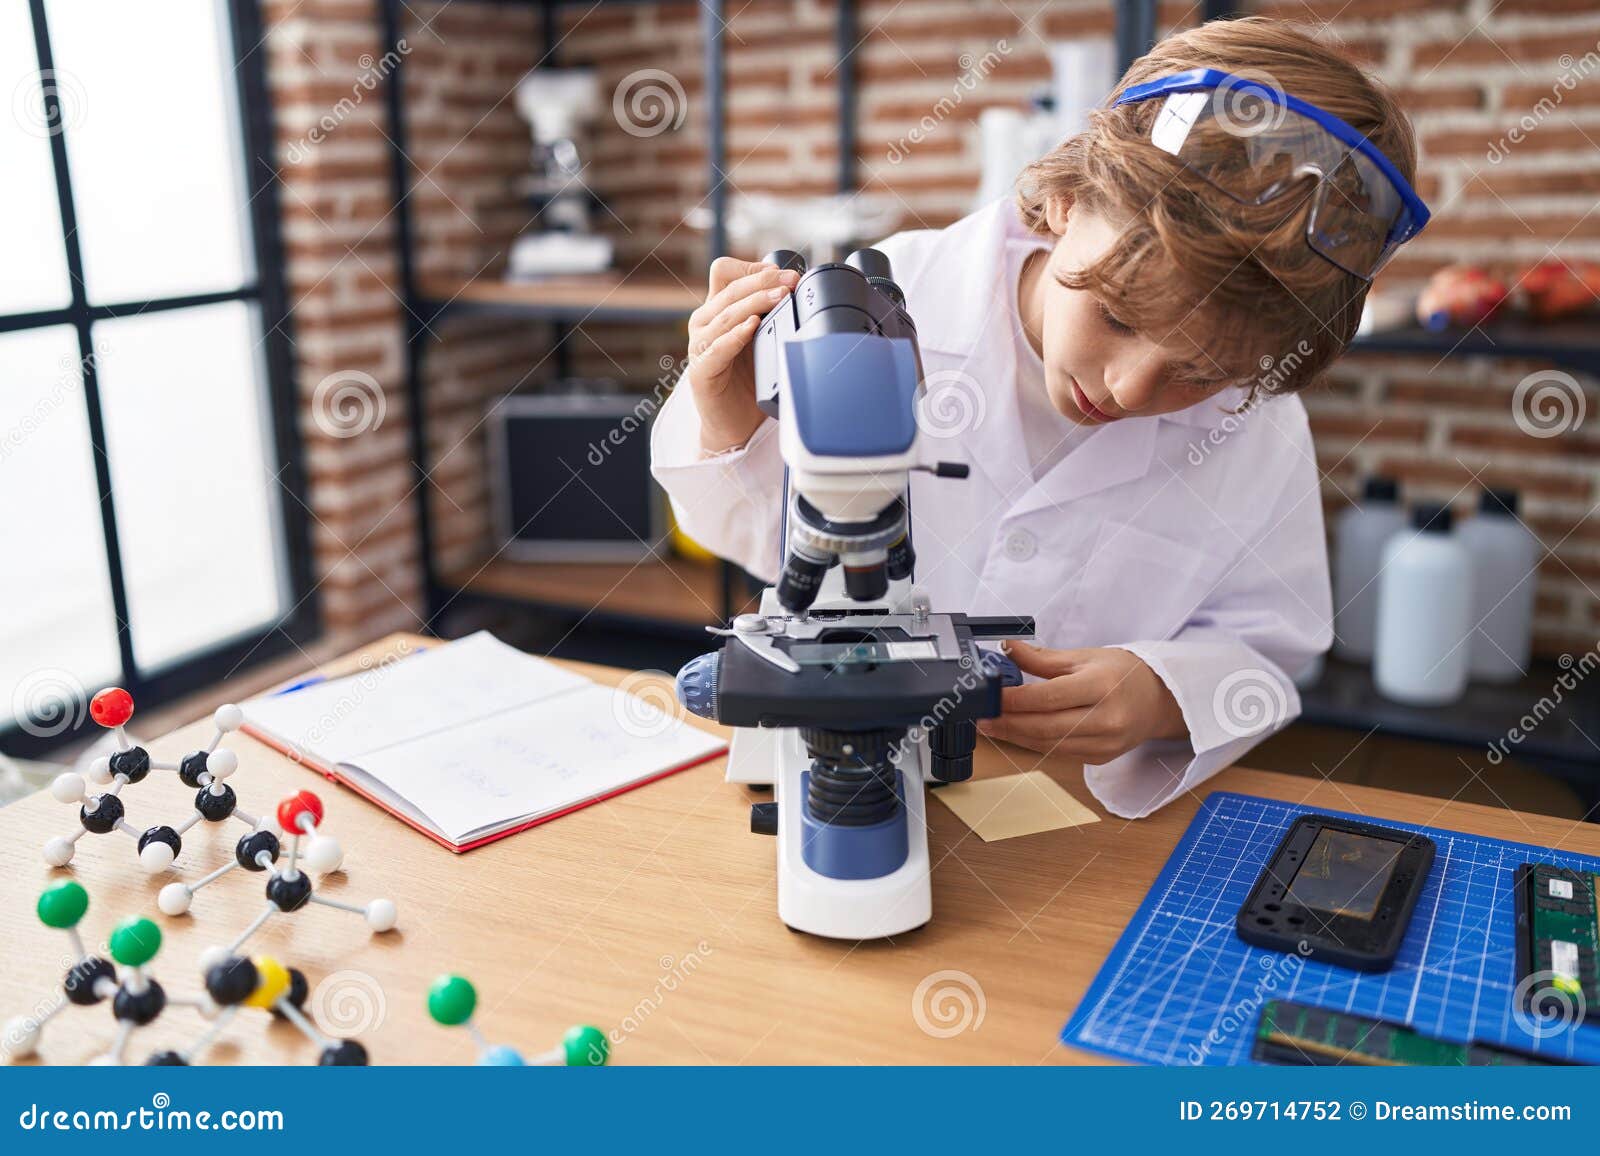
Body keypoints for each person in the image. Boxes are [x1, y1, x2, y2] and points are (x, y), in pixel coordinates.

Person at [649, 17, 1428, 817]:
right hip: (851, 738)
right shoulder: (881, 306)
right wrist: (727, 419)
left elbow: (1274, 647)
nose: (1128, 388)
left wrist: (1163, 693)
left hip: (1069, 811)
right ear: (1062, 199)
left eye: (1201, 371)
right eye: (1119, 317)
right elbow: (737, 532)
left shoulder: (1255, 424)